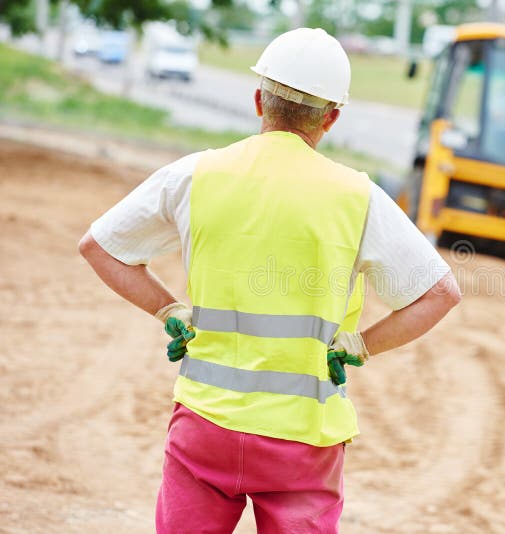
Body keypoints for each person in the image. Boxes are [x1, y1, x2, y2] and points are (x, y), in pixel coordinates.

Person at [79, 27, 461, 533]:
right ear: (331, 118)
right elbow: (440, 292)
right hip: (302, 441)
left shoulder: (196, 175)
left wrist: (168, 309)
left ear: (259, 99)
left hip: (204, 427)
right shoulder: (357, 198)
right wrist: (362, 344)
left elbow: (99, 246)